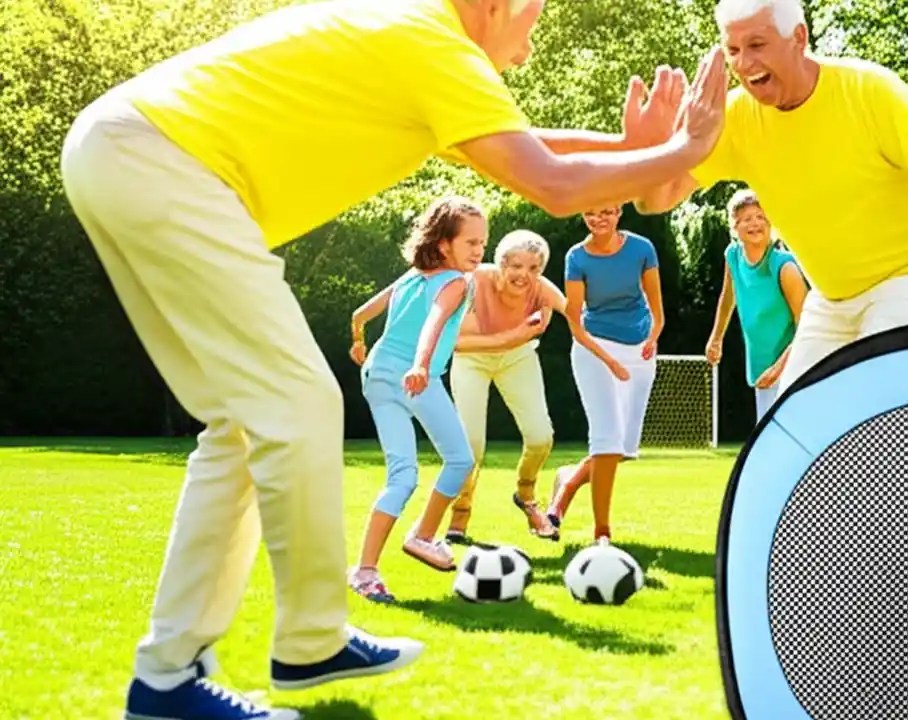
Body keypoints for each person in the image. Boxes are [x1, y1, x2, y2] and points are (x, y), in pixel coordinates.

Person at [59, 0, 727, 715]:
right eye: (533, 8)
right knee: (298, 403)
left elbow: (529, 146)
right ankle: (311, 642)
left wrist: (632, 149)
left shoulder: (419, 37)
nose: (537, 26)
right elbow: (551, 184)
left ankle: (167, 678)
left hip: (128, 155)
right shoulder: (432, 42)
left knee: (246, 426)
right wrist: (683, 148)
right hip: (161, 162)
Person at [634, 0, 908, 394]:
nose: (743, 63)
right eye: (733, 50)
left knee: (882, 398)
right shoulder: (736, 118)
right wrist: (659, 149)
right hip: (831, 298)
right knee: (795, 422)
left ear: (799, 38)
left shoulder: (869, 91)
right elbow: (654, 201)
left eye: (757, 45)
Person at [445, 229, 627, 544]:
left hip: (517, 359)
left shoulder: (541, 289)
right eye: (515, 266)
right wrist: (507, 337)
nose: (523, 275)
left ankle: (526, 495)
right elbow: (452, 342)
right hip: (471, 362)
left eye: (533, 268)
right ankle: (461, 511)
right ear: (500, 263)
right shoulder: (474, 281)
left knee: (541, 437)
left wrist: (615, 356)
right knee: (471, 445)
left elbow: (578, 318)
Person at [346, 197, 485, 603]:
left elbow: (360, 312)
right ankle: (422, 536)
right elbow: (434, 323)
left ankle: (365, 571)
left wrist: (358, 339)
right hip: (413, 379)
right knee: (458, 460)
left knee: (403, 476)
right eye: (470, 243)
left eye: (482, 242)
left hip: (376, 376)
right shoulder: (457, 282)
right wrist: (422, 365)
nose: (478, 250)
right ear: (444, 245)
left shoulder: (412, 276)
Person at [546, 207, 662, 544]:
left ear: (619, 211)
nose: (600, 219)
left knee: (623, 448)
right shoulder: (577, 258)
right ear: (582, 214)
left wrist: (653, 337)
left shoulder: (642, 248)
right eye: (592, 213)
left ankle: (567, 482)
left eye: (608, 212)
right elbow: (575, 322)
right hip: (593, 347)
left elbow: (657, 308)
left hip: (639, 349)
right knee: (605, 438)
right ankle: (602, 532)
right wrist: (609, 361)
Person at [705, 189, 807, 420]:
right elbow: (728, 294)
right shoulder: (733, 255)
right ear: (735, 227)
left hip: (794, 365)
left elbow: (808, 325)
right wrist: (716, 337)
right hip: (761, 364)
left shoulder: (784, 266)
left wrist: (779, 368)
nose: (755, 224)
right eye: (747, 219)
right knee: (768, 438)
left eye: (761, 217)